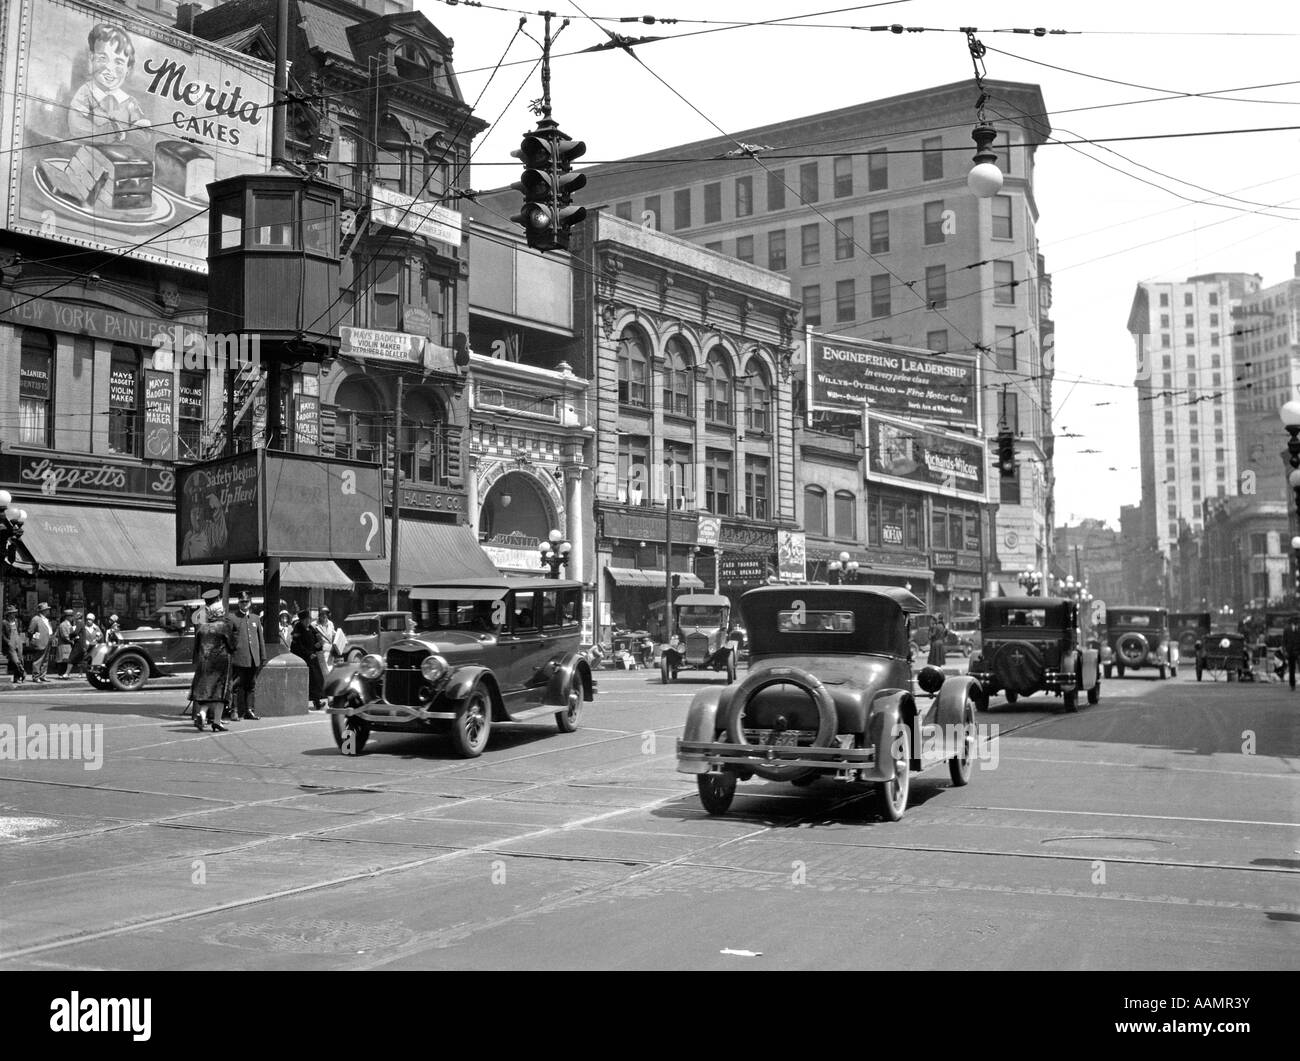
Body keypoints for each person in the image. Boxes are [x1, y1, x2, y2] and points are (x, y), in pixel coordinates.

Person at [66, 24, 150, 142]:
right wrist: (99, 132)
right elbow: (75, 122)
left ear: (128, 70)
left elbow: (145, 133)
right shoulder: (86, 93)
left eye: (119, 62)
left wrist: (125, 135)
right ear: (91, 58)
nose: (110, 68)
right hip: (89, 154)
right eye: (103, 58)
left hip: (119, 158)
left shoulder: (130, 102)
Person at [190, 594, 235, 732]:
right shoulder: (224, 626)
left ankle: (202, 714)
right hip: (221, 664)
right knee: (220, 694)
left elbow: (196, 648)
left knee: (207, 693)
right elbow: (232, 645)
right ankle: (217, 721)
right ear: (219, 612)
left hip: (205, 664)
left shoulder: (202, 628)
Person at [227, 590, 265, 720]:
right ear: (238, 603)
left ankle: (249, 710)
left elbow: (260, 639)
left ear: (250, 602)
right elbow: (229, 638)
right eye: (242, 602)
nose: (244, 604)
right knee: (235, 686)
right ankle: (234, 710)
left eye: (246, 601)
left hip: (253, 658)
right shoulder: (232, 618)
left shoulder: (255, 618)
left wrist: (262, 656)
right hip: (239, 658)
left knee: (251, 685)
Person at [291, 608, 327, 710]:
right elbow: (297, 646)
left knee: (317, 679)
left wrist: (319, 644)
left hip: (313, 658)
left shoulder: (311, 628)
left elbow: (317, 639)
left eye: (309, 619)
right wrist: (308, 654)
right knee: (308, 681)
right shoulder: (298, 629)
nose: (308, 622)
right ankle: (302, 702)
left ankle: (317, 701)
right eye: (306, 620)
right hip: (303, 658)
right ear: (301, 620)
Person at [27, 602, 53, 683]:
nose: (48, 611)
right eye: (47, 610)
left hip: (48, 641)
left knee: (45, 659)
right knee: (38, 659)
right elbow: (31, 631)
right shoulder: (36, 619)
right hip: (40, 642)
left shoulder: (46, 619)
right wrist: (36, 639)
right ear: (43, 611)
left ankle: (42, 675)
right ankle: (35, 676)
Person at [3, 605, 25, 684]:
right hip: (10, 643)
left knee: (20, 659)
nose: (13, 614)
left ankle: (17, 678)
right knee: (16, 661)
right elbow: (2, 635)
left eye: (14, 613)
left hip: (18, 642)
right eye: (12, 613)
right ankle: (23, 674)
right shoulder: (4, 622)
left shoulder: (17, 621)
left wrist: (22, 640)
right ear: (8, 614)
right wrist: (8, 642)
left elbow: (20, 631)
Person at [55, 609, 77, 679]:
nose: (72, 618)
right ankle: (61, 674)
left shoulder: (69, 624)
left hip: (68, 646)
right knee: (62, 660)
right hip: (64, 645)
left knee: (66, 660)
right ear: (67, 617)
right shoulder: (63, 625)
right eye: (71, 616)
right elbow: (65, 636)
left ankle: (65, 674)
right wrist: (72, 640)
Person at [1282, 616, 1300, 691]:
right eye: (1296, 619)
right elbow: (1284, 642)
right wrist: (1285, 651)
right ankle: (1292, 685)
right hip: (1290, 652)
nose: (1297, 621)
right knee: (1291, 669)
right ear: (1292, 621)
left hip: (1299, 652)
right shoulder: (1287, 629)